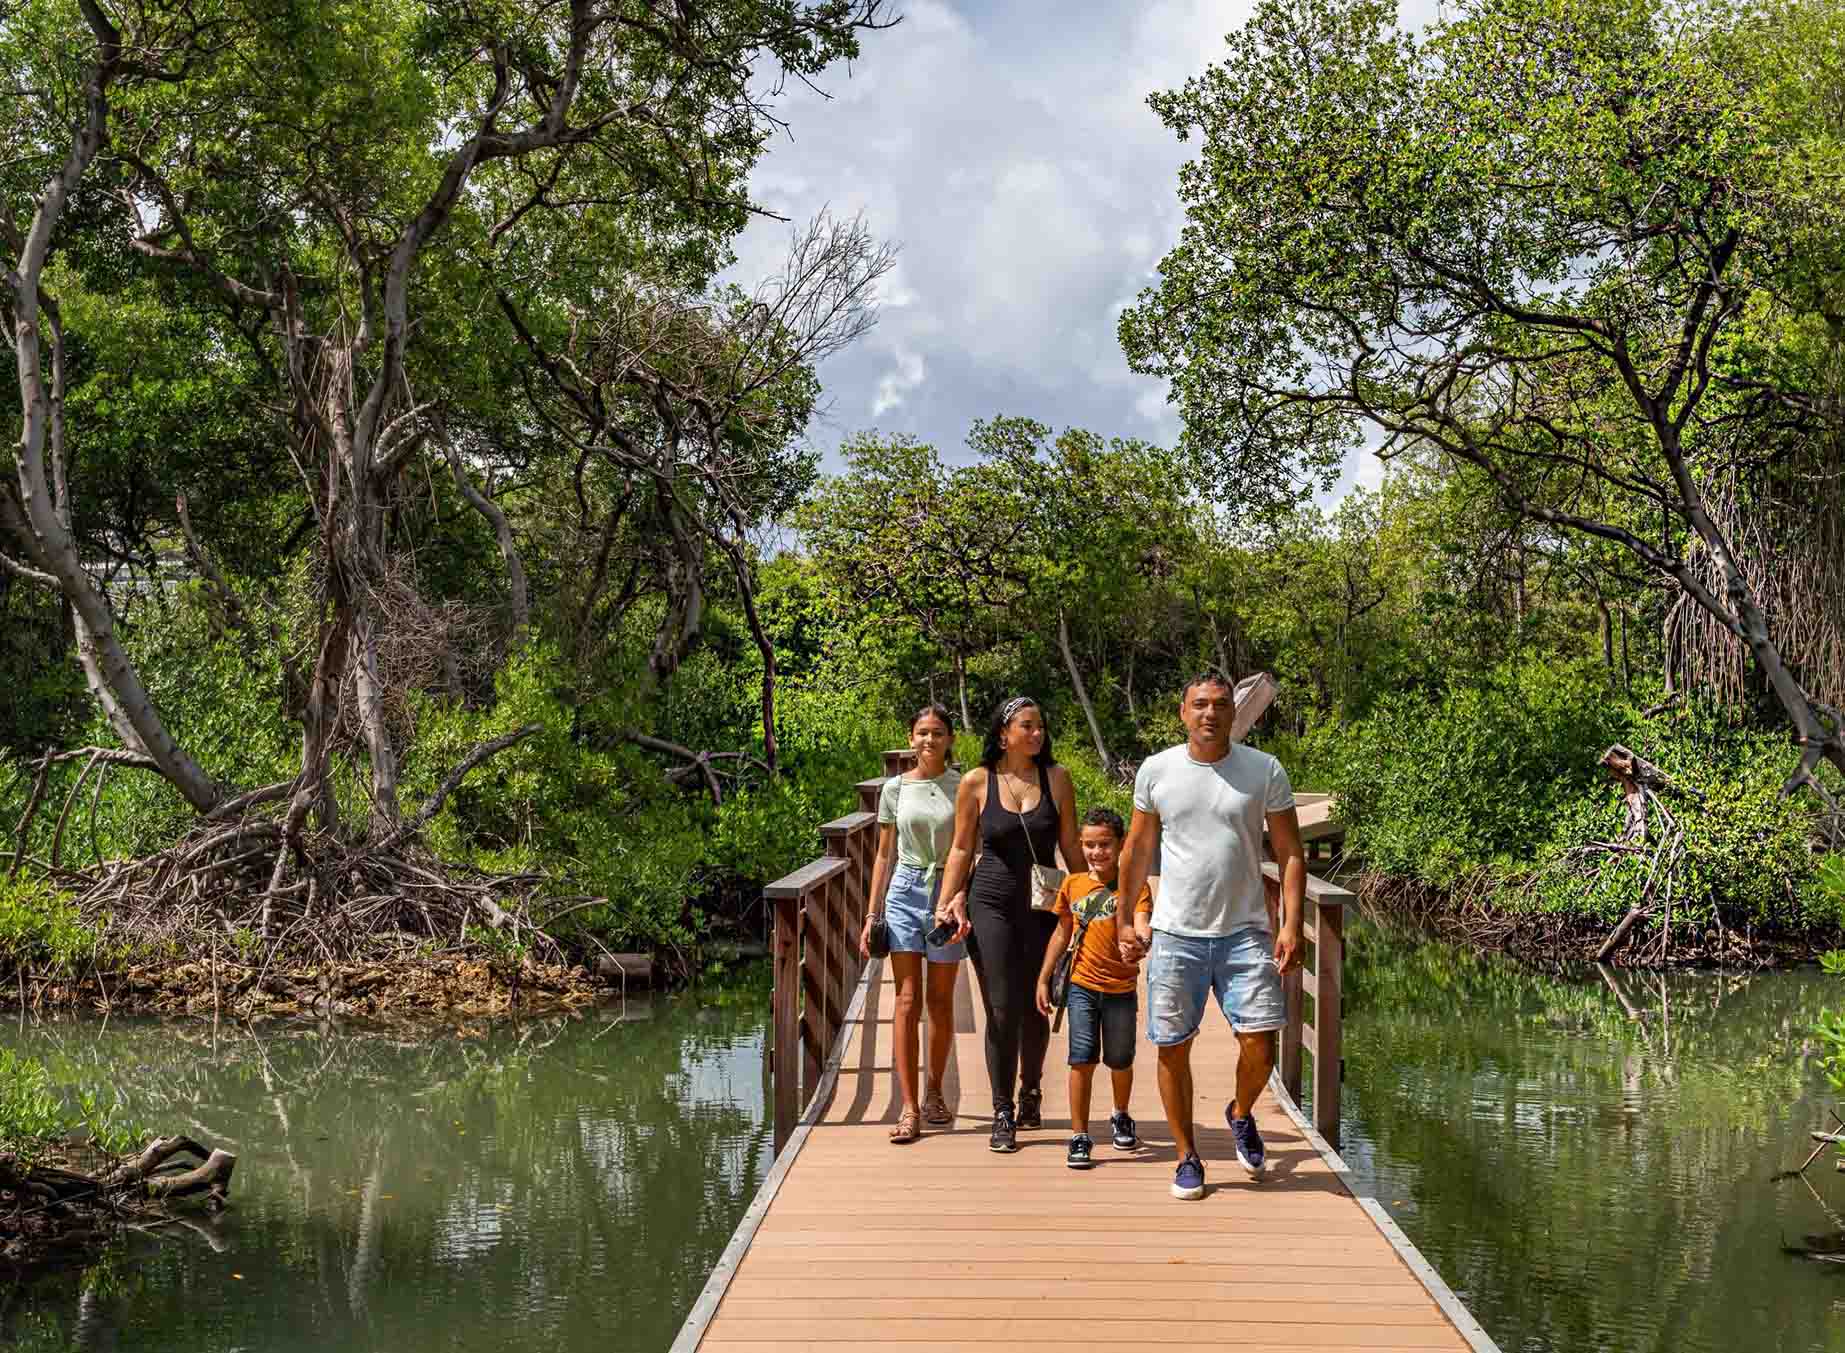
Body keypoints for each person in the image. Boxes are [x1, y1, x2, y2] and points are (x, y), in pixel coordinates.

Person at [1114, 670, 1306, 1200]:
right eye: (1199, 704)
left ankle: (1241, 1112)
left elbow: (1289, 852)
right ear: (1183, 712)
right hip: (1176, 932)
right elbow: (1134, 849)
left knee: (1261, 1045)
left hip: (1245, 930)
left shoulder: (1263, 770)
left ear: (1232, 712)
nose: (1210, 714)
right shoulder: (1158, 771)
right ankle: (1186, 1156)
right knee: (1172, 1047)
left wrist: (1290, 922)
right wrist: (1125, 918)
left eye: (1220, 704)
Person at [935, 696, 1081, 1153]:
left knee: (1036, 1002)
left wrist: (1096, 900)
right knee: (1000, 1007)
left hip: (1042, 904)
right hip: (990, 902)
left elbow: (1072, 846)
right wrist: (945, 903)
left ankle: (1031, 1090)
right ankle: (1003, 1111)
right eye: (1026, 726)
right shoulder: (977, 782)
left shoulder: (1057, 779)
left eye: (1040, 726)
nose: (1036, 733)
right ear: (1003, 734)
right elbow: (961, 849)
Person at [859, 703, 968, 1144]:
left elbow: (969, 847)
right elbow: (883, 854)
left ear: (949, 739)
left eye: (938, 733)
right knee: (907, 1000)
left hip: (947, 893)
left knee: (940, 1002)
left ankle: (935, 1093)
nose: (929, 740)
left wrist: (959, 895)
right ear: (911, 739)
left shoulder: (964, 786)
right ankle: (908, 1108)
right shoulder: (895, 789)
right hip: (904, 892)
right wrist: (872, 913)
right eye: (922, 733)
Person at [1034, 806, 1153, 1169]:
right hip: (1082, 985)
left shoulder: (1136, 885)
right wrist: (1044, 976)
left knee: (1120, 1059)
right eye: (1088, 845)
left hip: (1120, 988)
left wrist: (1140, 941)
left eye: (1104, 845)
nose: (1096, 852)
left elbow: (1142, 922)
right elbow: (1062, 932)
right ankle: (1080, 1135)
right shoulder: (1072, 884)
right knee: (1081, 1060)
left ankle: (1120, 1113)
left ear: (1120, 846)